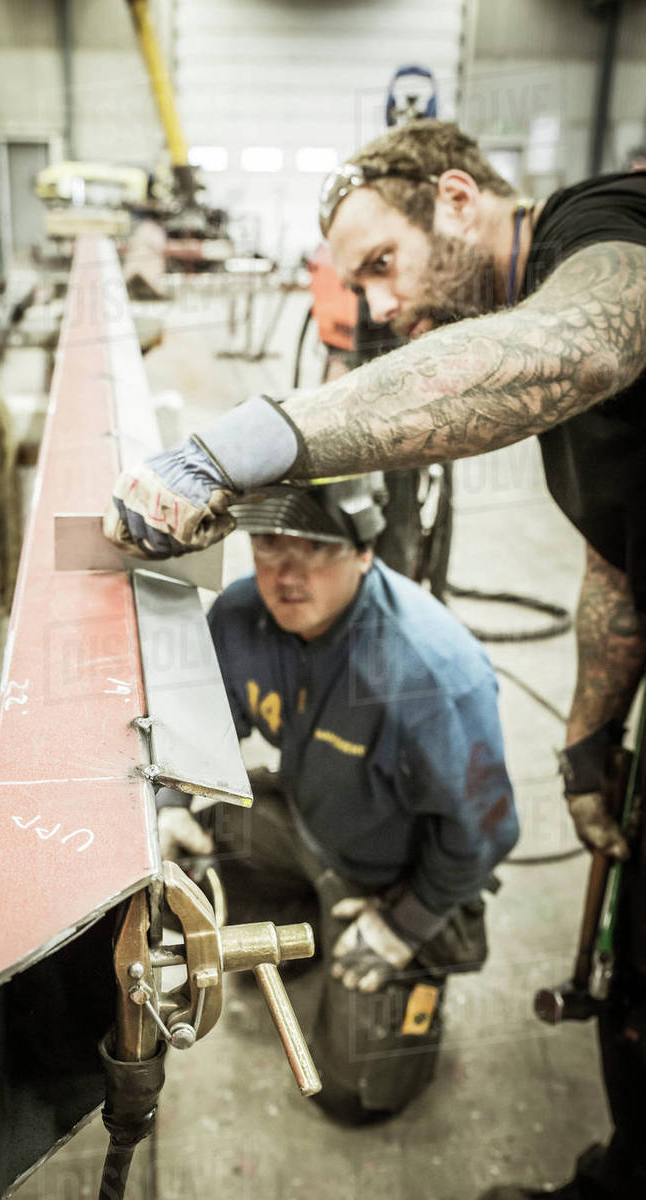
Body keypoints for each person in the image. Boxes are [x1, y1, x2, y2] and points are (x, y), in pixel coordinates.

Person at [107, 119, 646, 1197]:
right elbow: (617, 560)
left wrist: (241, 446)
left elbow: (580, 344)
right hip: (330, 824)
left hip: (410, 877)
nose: (383, 309)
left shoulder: (606, 226)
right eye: (360, 283)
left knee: (362, 1087)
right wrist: (588, 741)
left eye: (383, 267)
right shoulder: (252, 615)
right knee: (630, 1002)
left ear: (457, 196)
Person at [157, 474, 517, 1123]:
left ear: (363, 550)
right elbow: (201, 724)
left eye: (315, 547)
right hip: (307, 818)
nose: (286, 572)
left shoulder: (427, 676)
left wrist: (405, 924)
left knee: (353, 1099)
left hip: (396, 878)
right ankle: (308, 917)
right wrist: (171, 805)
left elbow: (486, 831)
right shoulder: (240, 617)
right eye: (268, 542)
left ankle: (393, 956)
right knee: (192, 859)